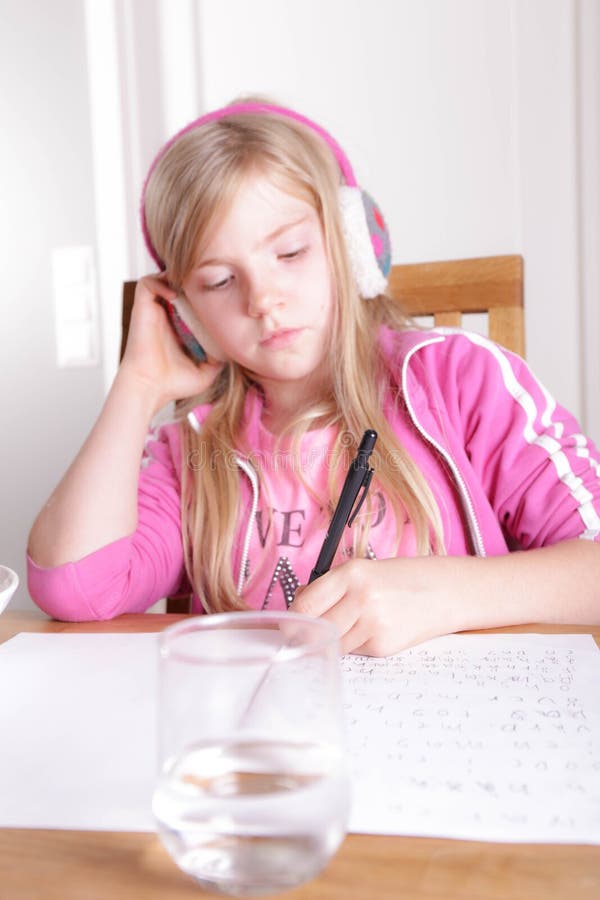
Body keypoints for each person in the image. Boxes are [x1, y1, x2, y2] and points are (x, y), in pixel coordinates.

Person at [27, 98, 600, 655]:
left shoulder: (461, 379)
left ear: (353, 245)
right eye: (221, 281)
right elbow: (73, 586)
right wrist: (139, 384)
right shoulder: (190, 454)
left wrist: (445, 595)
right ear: (186, 312)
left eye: (291, 252)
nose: (263, 300)